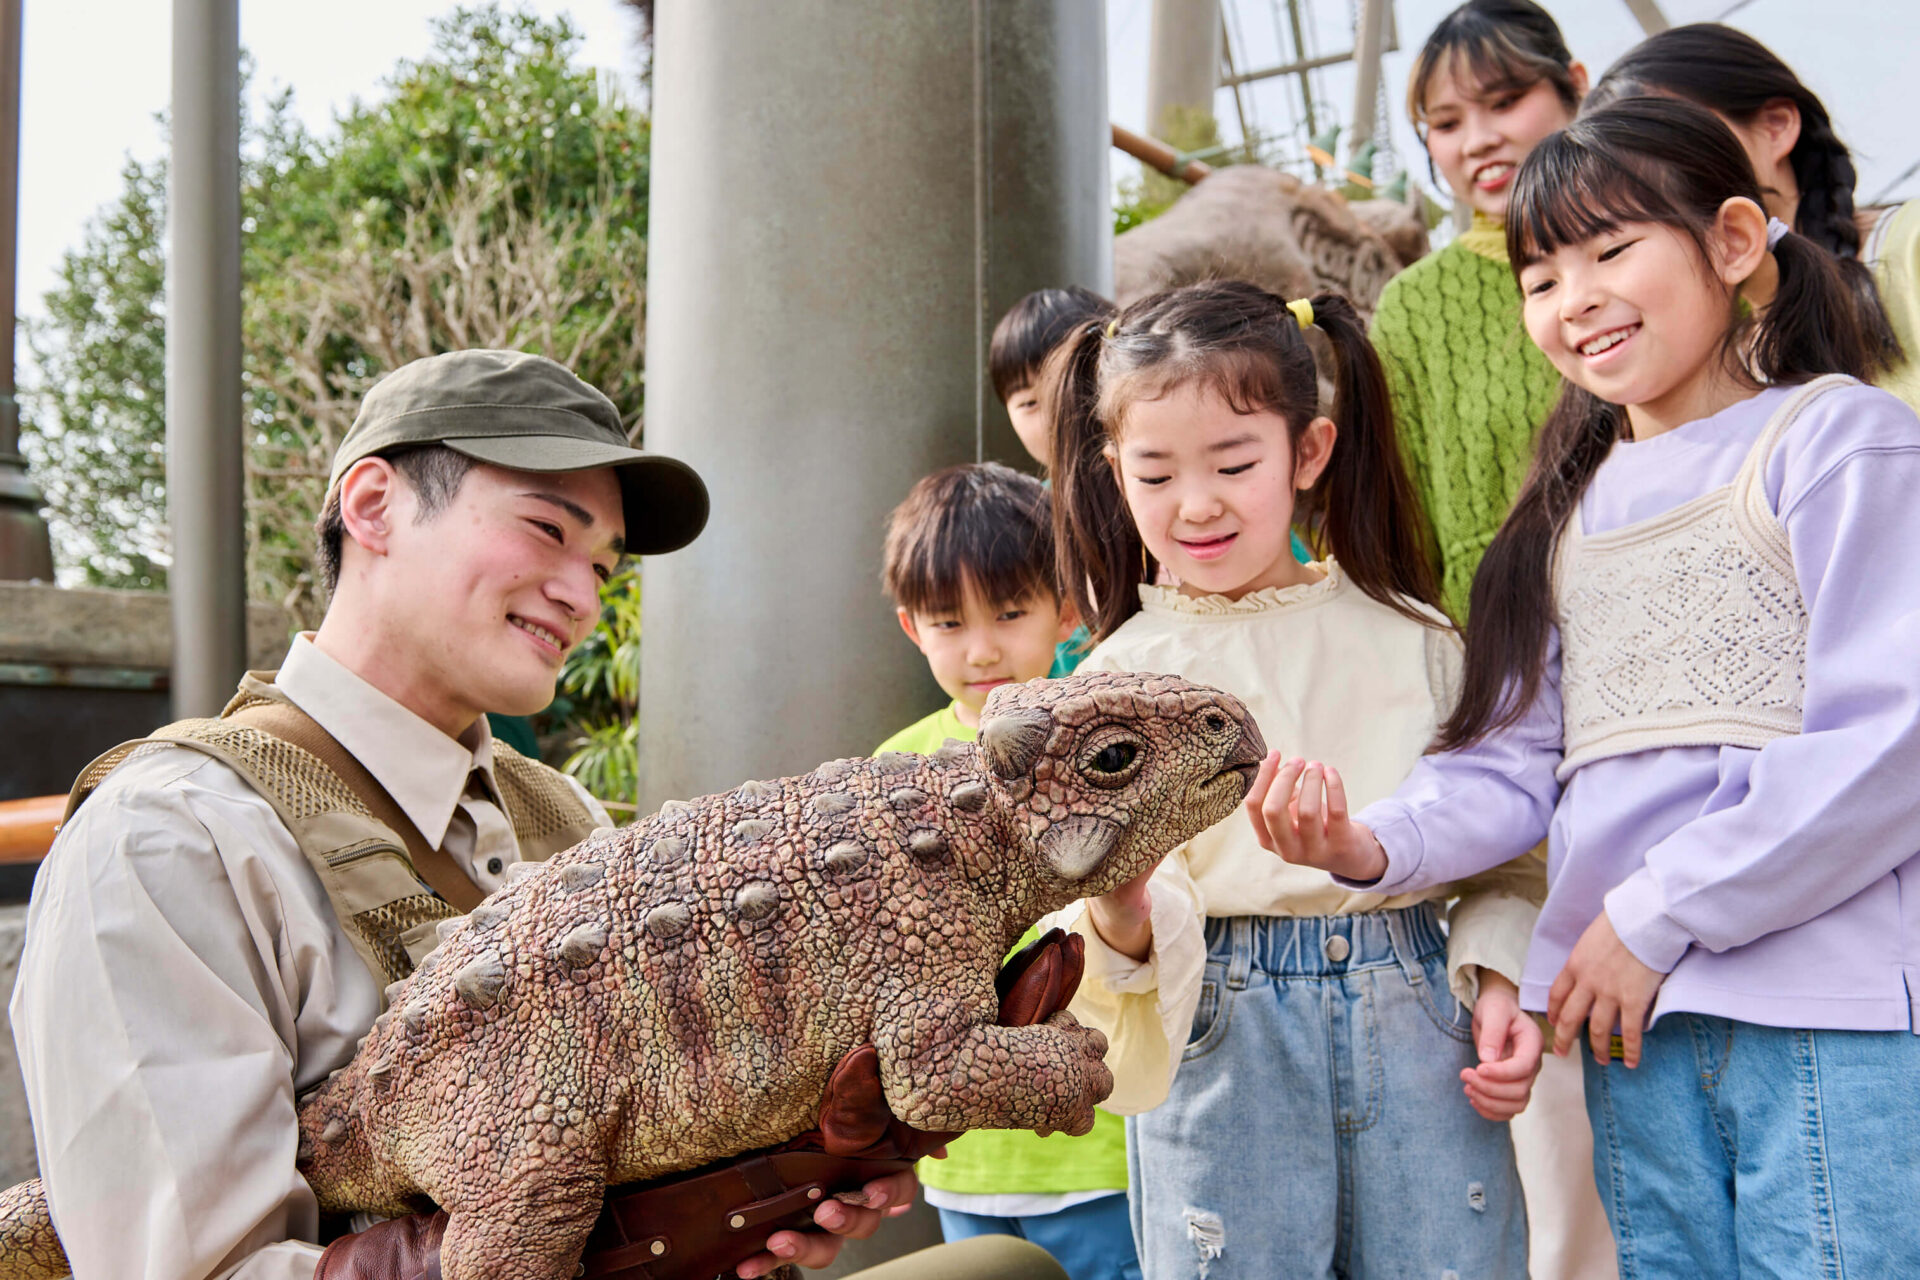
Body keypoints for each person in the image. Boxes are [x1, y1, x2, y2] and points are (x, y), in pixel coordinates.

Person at [7, 350, 995, 1280]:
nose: (582, 595)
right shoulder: (171, 839)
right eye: (547, 528)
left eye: (605, 565)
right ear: (373, 504)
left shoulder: (558, 809)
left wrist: (772, 1170)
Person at [1247, 98, 1920, 1277]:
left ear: (1732, 241)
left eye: (1612, 251)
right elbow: (1513, 761)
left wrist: (1654, 917)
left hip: (1823, 1010)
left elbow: (1891, 738)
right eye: (1542, 273)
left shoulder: (1836, 440)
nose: (1576, 297)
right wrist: (1368, 842)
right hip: (1627, 1025)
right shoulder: (1563, 511)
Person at [1045, 280, 1545, 1279]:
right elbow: (1093, 919)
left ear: (1308, 451)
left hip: (1418, 1010)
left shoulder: (1419, 642)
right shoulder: (1104, 687)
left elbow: (1509, 852)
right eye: (1154, 473)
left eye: (1235, 462)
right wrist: (1122, 911)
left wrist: (1496, 976)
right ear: (1113, 472)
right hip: (1219, 1021)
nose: (1197, 502)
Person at [1373, 5, 1618, 1275]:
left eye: (1502, 105)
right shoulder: (1413, 308)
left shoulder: (1647, 257)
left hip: (1648, 679)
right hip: (1506, 706)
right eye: (1444, 126)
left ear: (1574, 89)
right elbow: (1402, 522)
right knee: (1538, 1035)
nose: (1478, 141)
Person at [875, 462, 1136, 1280]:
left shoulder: (1109, 748)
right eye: (949, 622)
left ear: (1065, 610)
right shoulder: (893, 769)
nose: (982, 648)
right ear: (913, 628)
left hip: (1105, 1147)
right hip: (963, 1157)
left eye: (1011, 612)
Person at [1588, 22, 1915, 410]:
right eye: (1628, 177)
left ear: (1776, 126)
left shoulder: (1907, 246)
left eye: (1682, 146)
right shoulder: (1718, 362)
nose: (1659, 185)